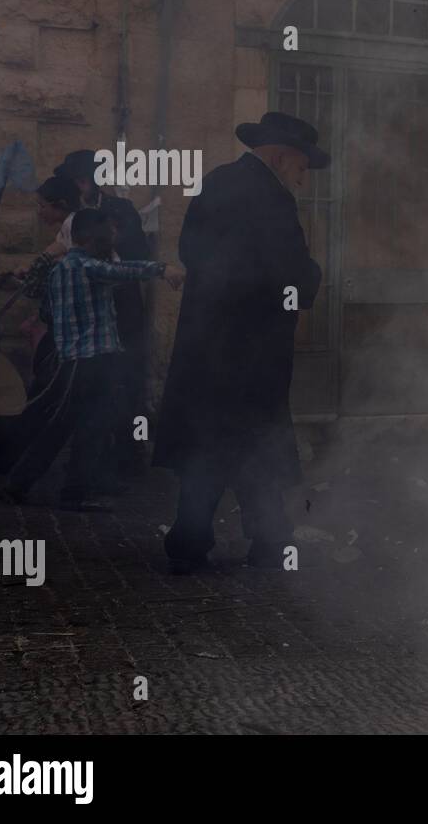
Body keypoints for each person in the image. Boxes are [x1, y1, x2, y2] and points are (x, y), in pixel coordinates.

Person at [153, 111, 325, 574]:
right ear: (282, 155)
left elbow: (191, 251)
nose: (302, 177)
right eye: (301, 166)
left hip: (207, 341)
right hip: (250, 347)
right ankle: (246, 541)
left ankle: (218, 540)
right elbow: (287, 267)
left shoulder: (218, 182)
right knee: (250, 441)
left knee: (221, 442)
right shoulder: (270, 197)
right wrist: (313, 277)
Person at [3, 208, 182, 509]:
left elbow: (46, 308)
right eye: (107, 231)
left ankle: (55, 490)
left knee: (82, 427)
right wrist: (163, 269)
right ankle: (32, 485)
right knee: (77, 427)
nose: (112, 237)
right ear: (88, 236)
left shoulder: (60, 270)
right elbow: (123, 271)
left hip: (80, 361)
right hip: (88, 363)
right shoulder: (85, 266)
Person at [54, 150, 149, 476]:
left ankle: (125, 455)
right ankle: (93, 461)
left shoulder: (120, 211)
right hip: (91, 314)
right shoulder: (78, 216)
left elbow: (134, 259)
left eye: (82, 179)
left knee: (124, 383)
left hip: (122, 311)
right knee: (93, 387)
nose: (79, 186)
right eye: (76, 180)